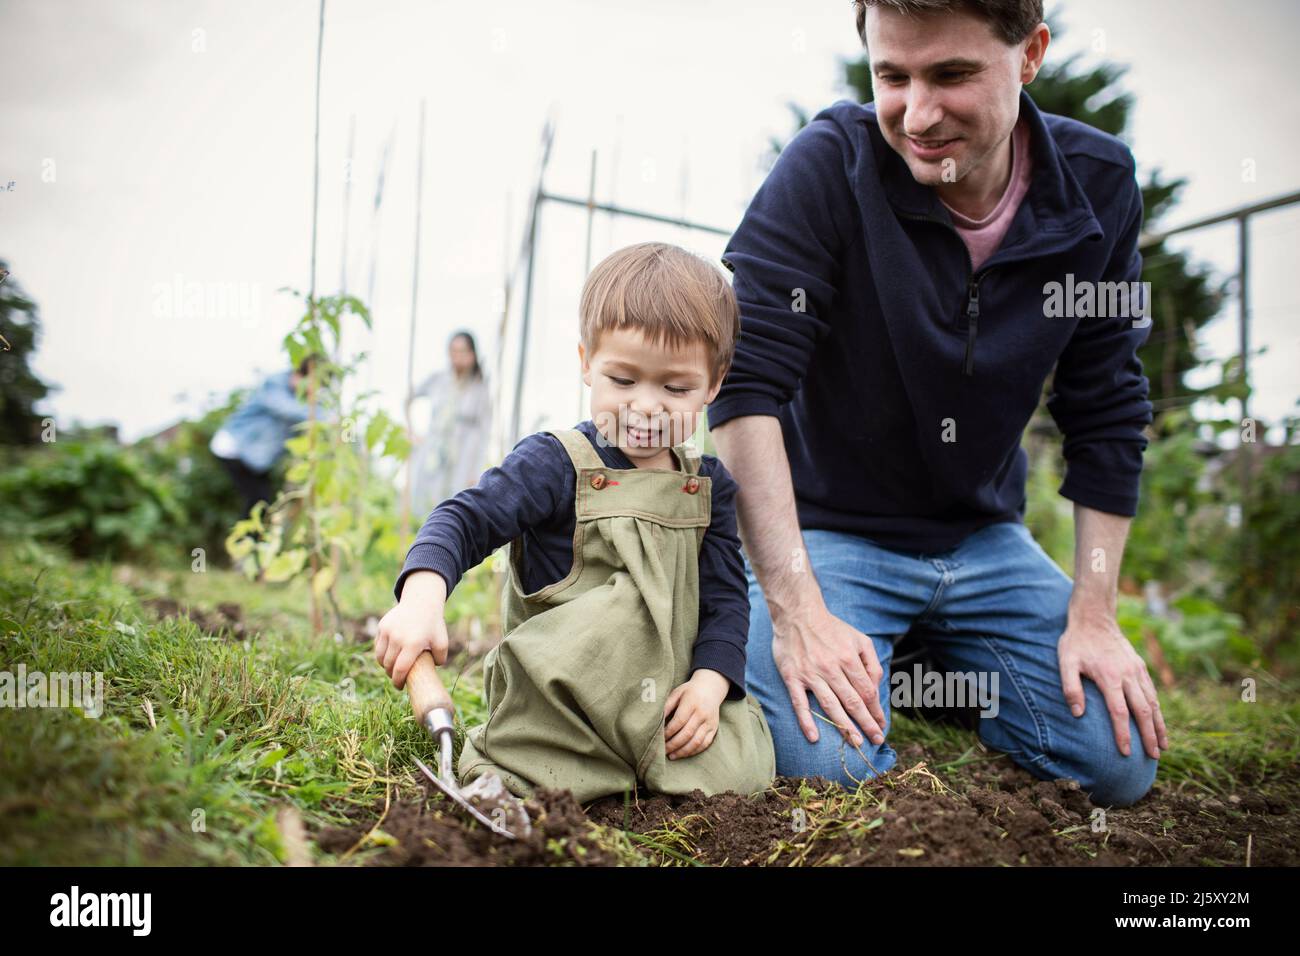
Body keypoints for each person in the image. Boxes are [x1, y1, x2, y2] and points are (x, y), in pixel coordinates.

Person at [707, 0, 1166, 807]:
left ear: (1029, 55)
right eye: (894, 76)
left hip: (984, 540)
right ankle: (878, 644)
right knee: (821, 765)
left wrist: (1094, 614)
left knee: (1115, 763)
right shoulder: (829, 167)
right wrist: (797, 608)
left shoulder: (1098, 186)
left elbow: (1108, 409)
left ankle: (921, 664)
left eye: (952, 75)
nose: (918, 116)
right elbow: (746, 390)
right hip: (828, 534)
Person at [375, 242, 776, 804]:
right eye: (624, 379)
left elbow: (727, 601)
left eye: (676, 388)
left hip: (667, 708)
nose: (647, 406)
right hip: (562, 708)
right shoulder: (556, 462)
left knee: (743, 773)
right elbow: (465, 519)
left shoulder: (710, 488)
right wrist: (421, 599)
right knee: (526, 768)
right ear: (587, 362)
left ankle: (654, 769)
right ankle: (533, 778)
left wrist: (710, 684)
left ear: (714, 383)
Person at [209, 355, 319, 518]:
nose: (313, 391)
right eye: (313, 384)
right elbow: (288, 410)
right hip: (234, 448)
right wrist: (331, 418)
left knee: (262, 500)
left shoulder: (298, 396)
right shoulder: (275, 385)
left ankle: (254, 538)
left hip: (255, 458)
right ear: (300, 376)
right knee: (258, 500)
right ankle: (247, 541)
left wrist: (346, 430)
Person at [406, 331, 492, 518]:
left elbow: (484, 432)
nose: (457, 357)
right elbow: (409, 397)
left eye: (462, 351)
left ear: (472, 355)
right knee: (424, 504)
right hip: (433, 452)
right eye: (453, 351)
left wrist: (475, 470)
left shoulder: (480, 388)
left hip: (463, 457)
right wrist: (411, 432)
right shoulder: (439, 380)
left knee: (452, 508)